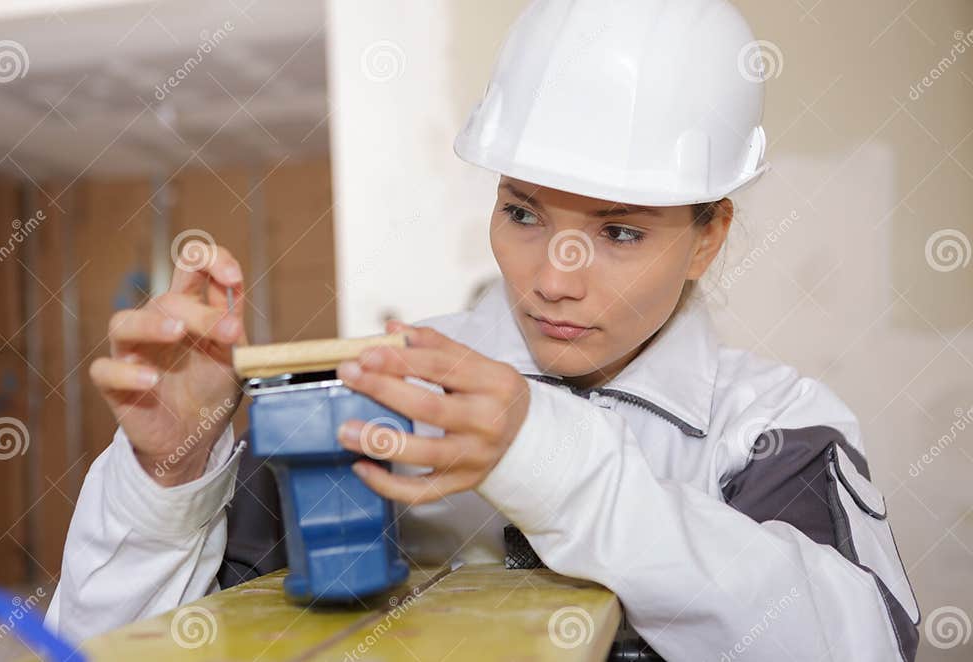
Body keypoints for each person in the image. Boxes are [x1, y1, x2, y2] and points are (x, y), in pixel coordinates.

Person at [46, 0, 921, 659]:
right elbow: (112, 647)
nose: (550, 277)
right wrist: (171, 474)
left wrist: (555, 463)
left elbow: (865, 644)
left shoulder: (776, 432)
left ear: (709, 237)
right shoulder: (373, 389)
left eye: (620, 231)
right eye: (523, 211)